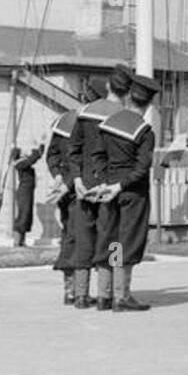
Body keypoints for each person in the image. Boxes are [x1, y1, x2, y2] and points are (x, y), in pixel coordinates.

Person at [94, 73, 159, 313]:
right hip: (132, 193)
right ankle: (121, 297)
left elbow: (97, 156)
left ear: (130, 95)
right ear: (149, 102)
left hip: (108, 189)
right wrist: (120, 185)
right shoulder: (145, 132)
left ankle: (104, 294)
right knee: (126, 243)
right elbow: (142, 169)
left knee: (110, 240)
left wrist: (105, 182)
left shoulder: (108, 123)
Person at [68, 66, 131, 310]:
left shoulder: (84, 113)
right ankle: (109, 294)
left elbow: (73, 149)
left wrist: (77, 179)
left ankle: (81, 295)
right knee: (113, 241)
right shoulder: (126, 118)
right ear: (127, 91)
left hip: (85, 185)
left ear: (108, 86)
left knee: (84, 239)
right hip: (111, 187)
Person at [45, 109, 81, 303]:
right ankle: (112, 292)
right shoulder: (104, 123)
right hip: (99, 190)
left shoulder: (65, 122)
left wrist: (58, 174)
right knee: (112, 242)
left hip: (71, 190)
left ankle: (74, 291)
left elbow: (52, 155)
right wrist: (65, 181)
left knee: (71, 239)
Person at [11, 143, 43, 247]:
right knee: (23, 214)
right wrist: (38, 148)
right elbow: (32, 159)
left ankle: (22, 240)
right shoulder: (19, 163)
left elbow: (32, 158)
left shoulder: (22, 162)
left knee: (27, 215)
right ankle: (17, 240)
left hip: (28, 191)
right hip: (24, 191)